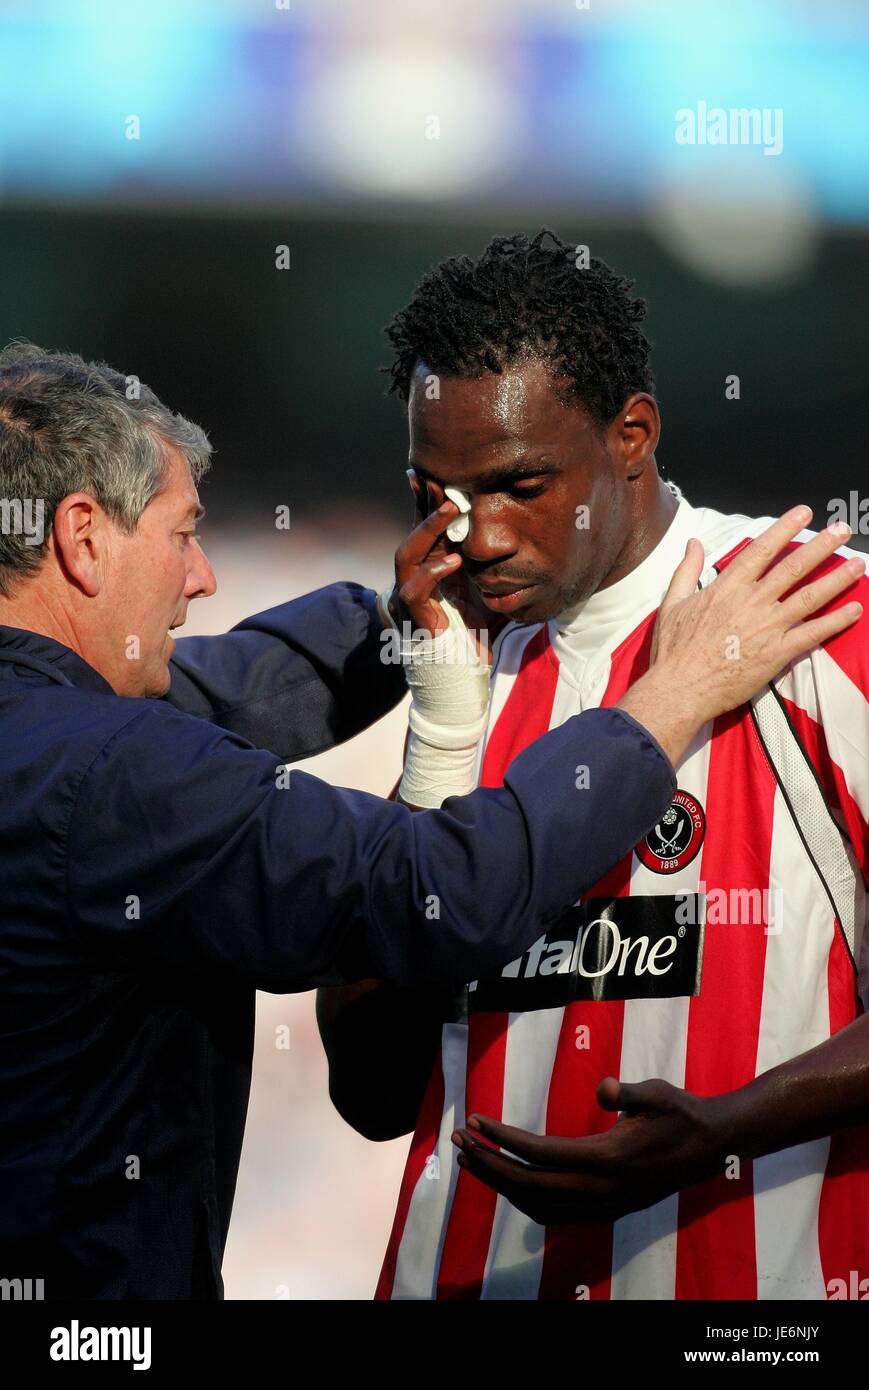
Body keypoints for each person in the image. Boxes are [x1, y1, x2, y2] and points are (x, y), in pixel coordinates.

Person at [1, 343, 833, 1300]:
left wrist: (406, 620)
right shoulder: (114, 771)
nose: (203, 576)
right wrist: (666, 699)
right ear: (82, 536)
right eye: (183, 533)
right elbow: (436, 893)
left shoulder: (63, 727)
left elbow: (228, 689)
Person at [317, 230, 869, 1301]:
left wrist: (722, 1127)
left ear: (631, 434)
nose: (473, 536)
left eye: (518, 483)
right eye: (435, 490)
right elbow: (376, 1089)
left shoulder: (822, 621)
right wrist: (435, 753)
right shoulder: (455, 665)